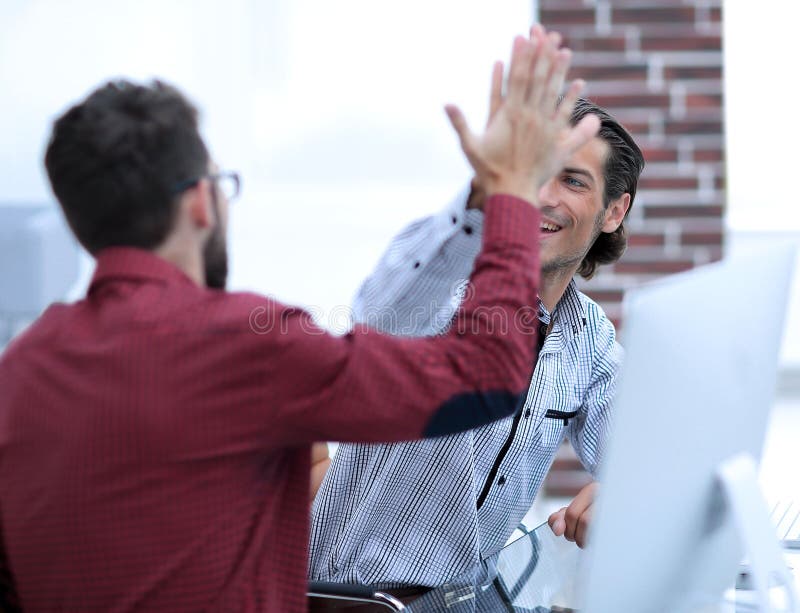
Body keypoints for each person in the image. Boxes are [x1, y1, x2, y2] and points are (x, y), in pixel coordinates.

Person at [0, 33, 598, 612]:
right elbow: (485, 378)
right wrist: (510, 191)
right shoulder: (246, 342)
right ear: (201, 202)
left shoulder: (21, 371)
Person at [308, 31, 645, 594]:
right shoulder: (451, 278)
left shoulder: (590, 341)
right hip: (348, 597)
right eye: (534, 172)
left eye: (572, 180)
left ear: (614, 211)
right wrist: (483, 192)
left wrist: (627, 487)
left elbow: (644, 449)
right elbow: (377, 315)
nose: (542, 195)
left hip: (465, 601)